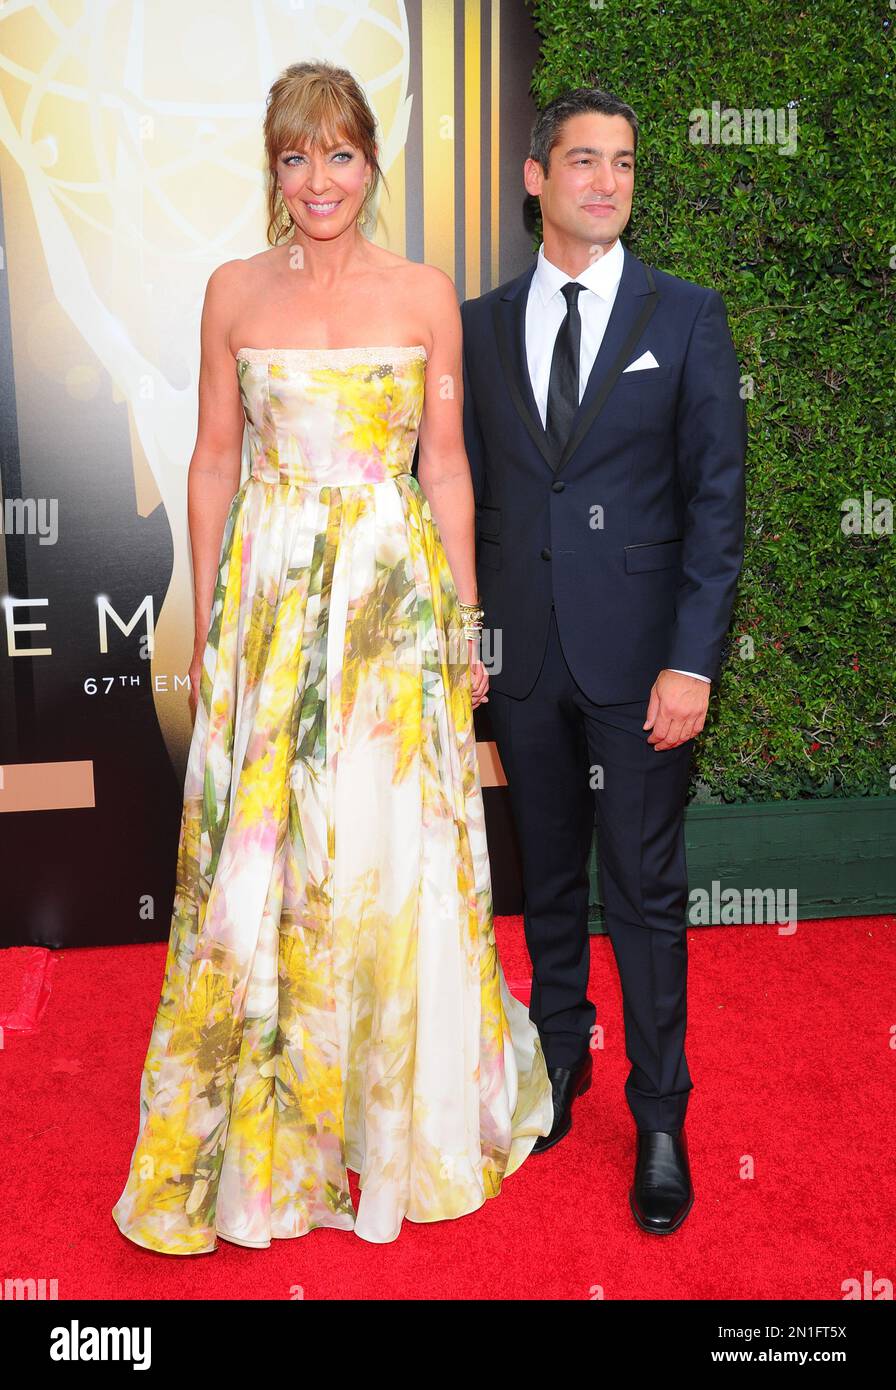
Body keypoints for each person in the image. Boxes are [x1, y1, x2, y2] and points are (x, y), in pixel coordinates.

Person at [111, 59, 553, 1254]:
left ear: (370, 163)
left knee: (384, 849)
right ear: (273, 168)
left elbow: (446, 464)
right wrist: (206, 616)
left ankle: (392, 1112)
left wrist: (463, 623)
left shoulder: (423, 295)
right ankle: (272, 1122)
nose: (319, 180)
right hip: (267, 599)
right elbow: (211, 457)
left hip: (389, 602)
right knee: (271, 866)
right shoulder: (230, 292)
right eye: (296, 157)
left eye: (340, 155)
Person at [460, 87, 747, 1234]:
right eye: (582, 162)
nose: (605, 182)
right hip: (521, 658)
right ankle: (558, 1065)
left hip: (640, 669)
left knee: (643, 892)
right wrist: (469, 641)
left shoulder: (684, 317)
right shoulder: (477, 327)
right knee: (544, 891)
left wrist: (691, 660)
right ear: (536, 179)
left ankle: (661, 1114)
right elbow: (463, 496)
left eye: (622, 163)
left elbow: (714, 506)